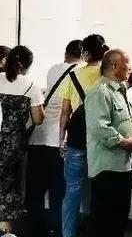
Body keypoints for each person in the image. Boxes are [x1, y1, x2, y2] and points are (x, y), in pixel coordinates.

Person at [27, 40, 83, 237]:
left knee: (35, 189)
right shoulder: (80, 72)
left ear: (66, 53)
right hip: (56, 139)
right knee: (58, 190)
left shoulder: (52, 69)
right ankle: (57, 229)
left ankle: (35, 229)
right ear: (83, 55)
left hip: (38, 136)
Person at [85, 49, 132, 237]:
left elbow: (126, 120)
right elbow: (100, 126)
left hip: (124, 165)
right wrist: (123, 142)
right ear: (115, 66)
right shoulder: (100, 92)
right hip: (107, 168)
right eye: (127, 63)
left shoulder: (120, 91)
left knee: (119, 220)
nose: (130, 68)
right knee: (105, 222)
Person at [59, 34, 108, 237]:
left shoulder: (73, 76)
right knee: (102, 192)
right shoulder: (108, 76)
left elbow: (65, 112)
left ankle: (68, 233)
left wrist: (61, 138)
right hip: (102, 140)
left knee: (72, 191)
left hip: (77, 138)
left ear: (84, 53)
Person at [0, 46, 44, 235]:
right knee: (9, 184)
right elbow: (38, 119)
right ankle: (6, 230)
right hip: (13, 143)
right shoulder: (31, 86)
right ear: (28, 65)